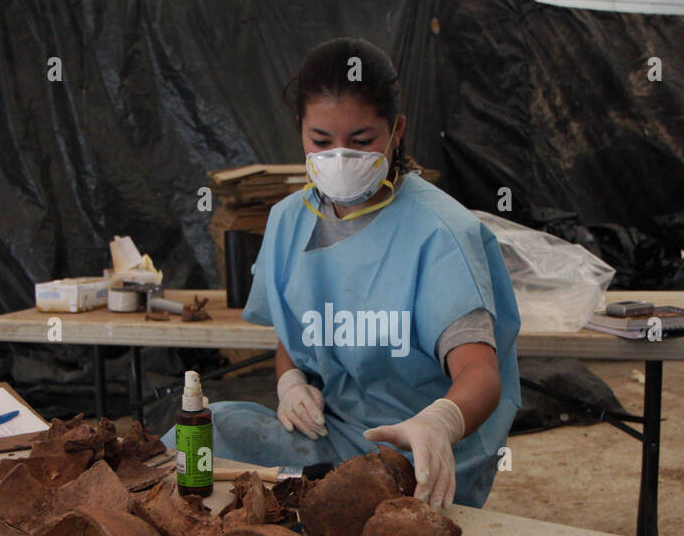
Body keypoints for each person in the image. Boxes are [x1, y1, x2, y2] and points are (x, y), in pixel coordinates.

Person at [165, 37, 521, 508]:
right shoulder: (289, 222)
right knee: (211, 431)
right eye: (320, 141)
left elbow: (480, 374)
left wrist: (440, 423)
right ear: (300, 130)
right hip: (331, 441)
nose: (340, 157)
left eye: (361, 141)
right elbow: (295, 336)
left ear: (396, 132)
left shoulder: (439, 233)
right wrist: (290, 383)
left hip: (413, 458)